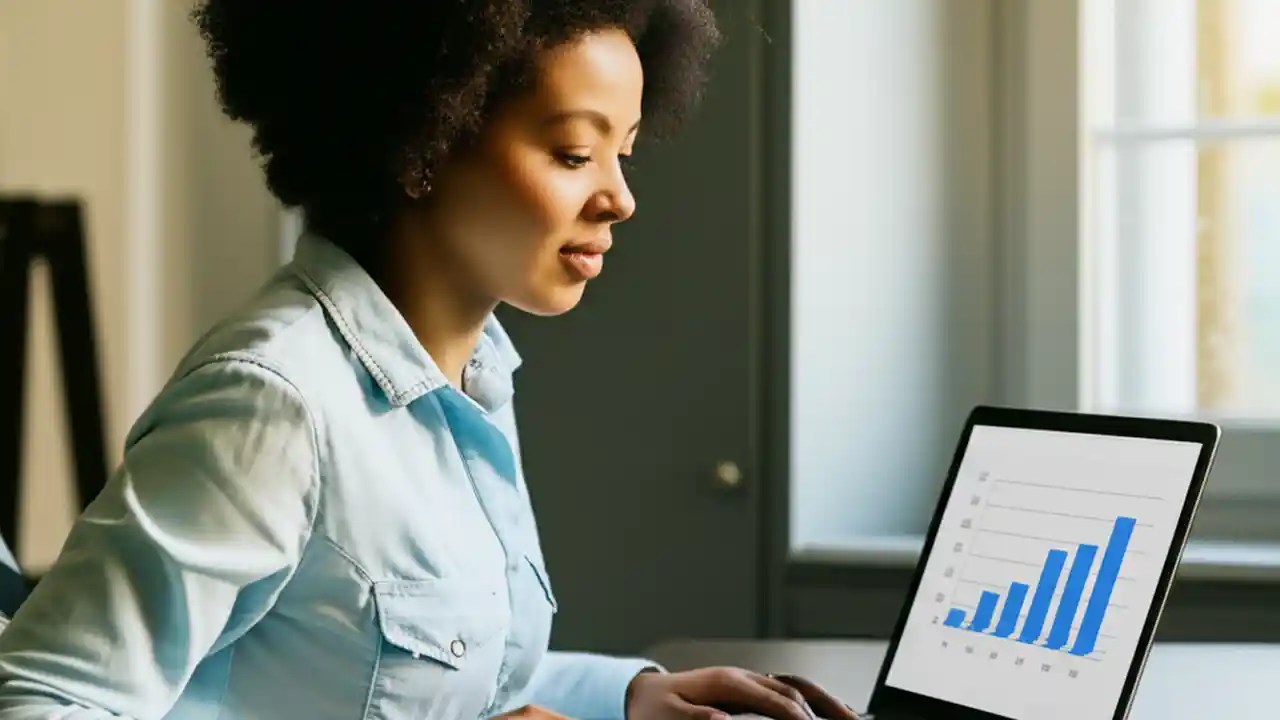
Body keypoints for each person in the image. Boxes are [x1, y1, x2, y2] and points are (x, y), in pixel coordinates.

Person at [0, 2, 859, 719]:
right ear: (424, 140)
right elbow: (45, 698)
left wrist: (631, 695)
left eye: (622, 152)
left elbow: (431, 685)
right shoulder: (273, 404)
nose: (620, 197)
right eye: (572, 153)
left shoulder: (474, 373)